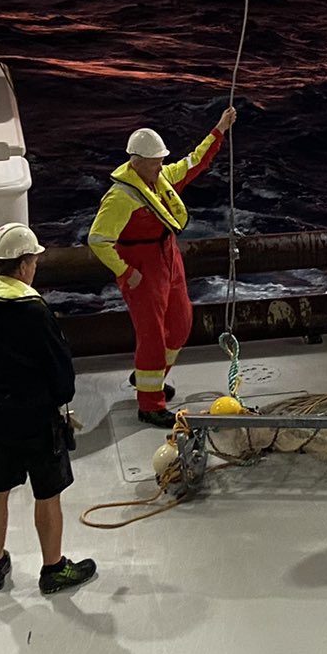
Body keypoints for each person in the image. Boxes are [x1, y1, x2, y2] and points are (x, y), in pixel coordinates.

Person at [0, 223, 98, 594]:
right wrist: (62, 397)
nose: (35, 267)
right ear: (22, 266)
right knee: (47, 492)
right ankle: (53, 569)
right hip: (35, 416)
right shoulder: (34, 310)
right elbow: (59, 366)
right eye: (33, 261)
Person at [86, 106, 237, 422]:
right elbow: (98, 240)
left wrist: (220, 129)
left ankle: (148, 378)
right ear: (136, 162)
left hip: (168, 257)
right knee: (152, 335)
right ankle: (150, 405)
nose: (161, 166)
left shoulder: (160, 178)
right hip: (142, 268)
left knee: (180, 325)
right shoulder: (119, 197)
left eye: (161, 161)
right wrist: (126, 272)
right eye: (155, 162)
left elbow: (194, 162)